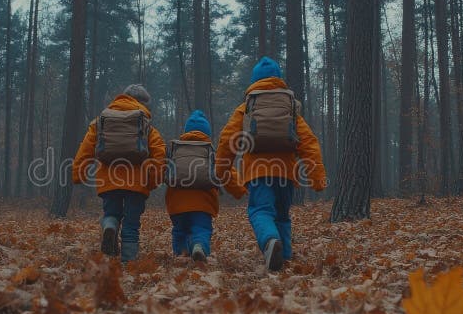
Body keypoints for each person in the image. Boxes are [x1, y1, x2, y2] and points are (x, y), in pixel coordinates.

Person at [215, 57, 326, 271]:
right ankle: (283, 257)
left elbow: (227, 140)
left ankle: (269, 241)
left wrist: (220, 172)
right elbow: (309, 142)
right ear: (278, 79)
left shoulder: (247, 107)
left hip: (257, 174)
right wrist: (317, 178)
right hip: (286, 174)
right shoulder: (291, 107)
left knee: (260, 211)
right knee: (283, 216)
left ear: (254, 81)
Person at [72, 84, 165, 262]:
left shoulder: (101, 121)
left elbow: (85, 148)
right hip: (137, 184)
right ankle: (128, 263)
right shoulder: (146, 125)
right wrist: (153, 180)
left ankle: (110, 225)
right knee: (131, 224)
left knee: (111, 213)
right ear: (143, 103)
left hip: (109, 181)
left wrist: (78, 173)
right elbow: (159, 154)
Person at [165, 110, 245, 262]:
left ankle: (180, 257)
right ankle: (199, 246)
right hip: (203, 203)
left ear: (186, 131)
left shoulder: (175, 150)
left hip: (176, 203)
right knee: (201, 229)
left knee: (179, 231)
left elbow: (162, 169)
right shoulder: (211, 151)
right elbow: (226, 171)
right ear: (207, 132)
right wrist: (239, 190)